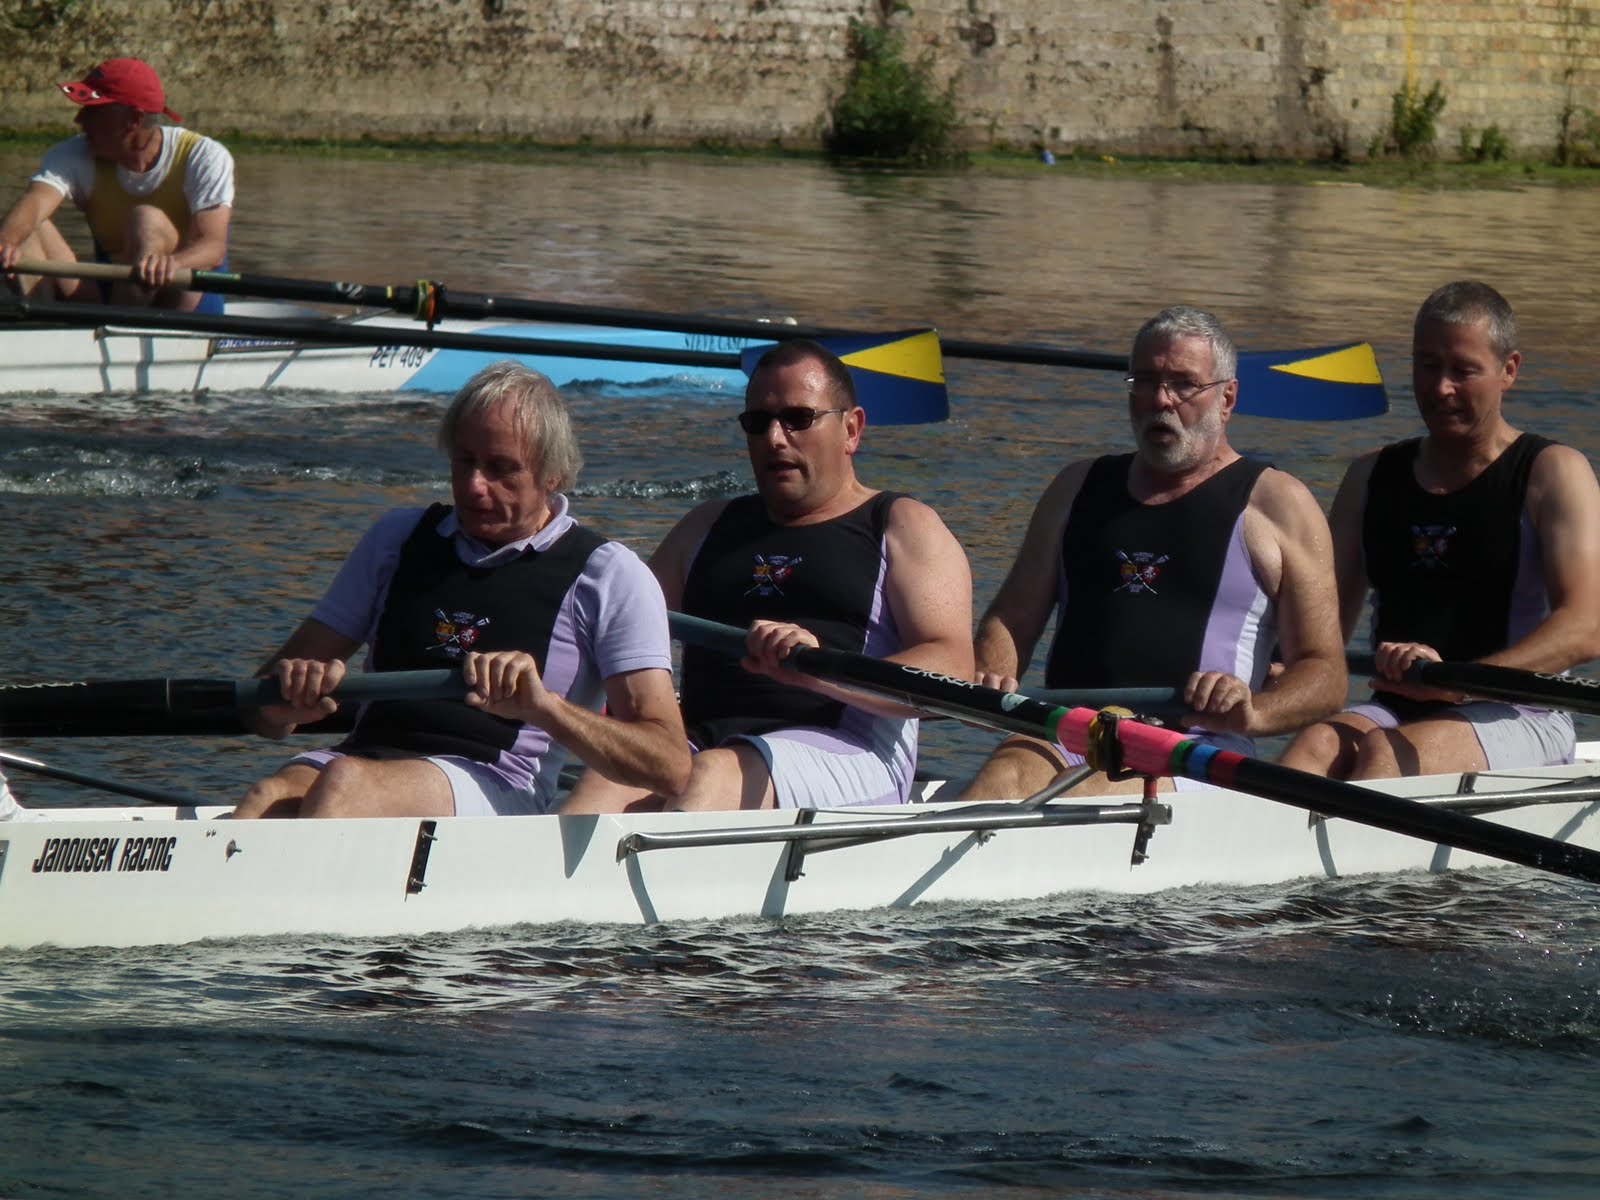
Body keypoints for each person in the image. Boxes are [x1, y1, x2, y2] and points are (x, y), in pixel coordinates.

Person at [233, 362, 690, 819]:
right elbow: (260, 713)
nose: (474, 486)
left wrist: (546, 708)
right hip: (362, 756)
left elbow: (669, 766)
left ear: (553, 475)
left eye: (500, 469)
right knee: (265, 799)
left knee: (344, 788)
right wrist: (287, 701)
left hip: (495, 782)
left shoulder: (609, 575)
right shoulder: (397, 539)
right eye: (465, 461)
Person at [563, 338, 974, 813]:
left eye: (798, 419)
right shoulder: (705, 525)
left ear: (852, 429)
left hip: (850, 747)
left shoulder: (902, 525)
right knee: (599, 788)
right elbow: (612, 632)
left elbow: (953, 668)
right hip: (703, 742)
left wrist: (821, 670)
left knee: (713, 775)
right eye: (758, 423)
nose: (775, 438)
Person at [959, 305, 1347, 800]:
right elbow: (1012, 616)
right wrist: (992, 673)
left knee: (1089, 789)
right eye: (1145, 381)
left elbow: (1325, 672)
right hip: (1069, 729)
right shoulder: (1076, 487)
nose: (1160, 400)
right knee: (1006, 771)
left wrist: (1256, 712)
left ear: (1227, 397)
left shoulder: (1279, 504)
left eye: (1183, 384)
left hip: (1195, 750)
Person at [1280, 281, 1600, 779]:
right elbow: (1322, 631)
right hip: (1396, 708)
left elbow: (1587, 627)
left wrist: (1462, 682)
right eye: (1427, 365)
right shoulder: (1369, 477)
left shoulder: (1552, 472)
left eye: (1463, 371)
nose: (1441, 387)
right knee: (1314, 745)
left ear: (1508, 370)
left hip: (1521, 710)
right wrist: (1264, 677)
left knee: (1387, 755)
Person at [0, 58, 233, 311]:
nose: (80, 120)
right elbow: (35, 203)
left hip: (180, 302)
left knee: (146, 219)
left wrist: (173, 264)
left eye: (93, 111)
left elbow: (213, 247)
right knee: (28, 227)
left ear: (133, 119)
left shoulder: (203, 156)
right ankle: (39, 327)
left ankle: (117, 326)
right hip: (108, 295)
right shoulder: (75, 153)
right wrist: (7, 242)